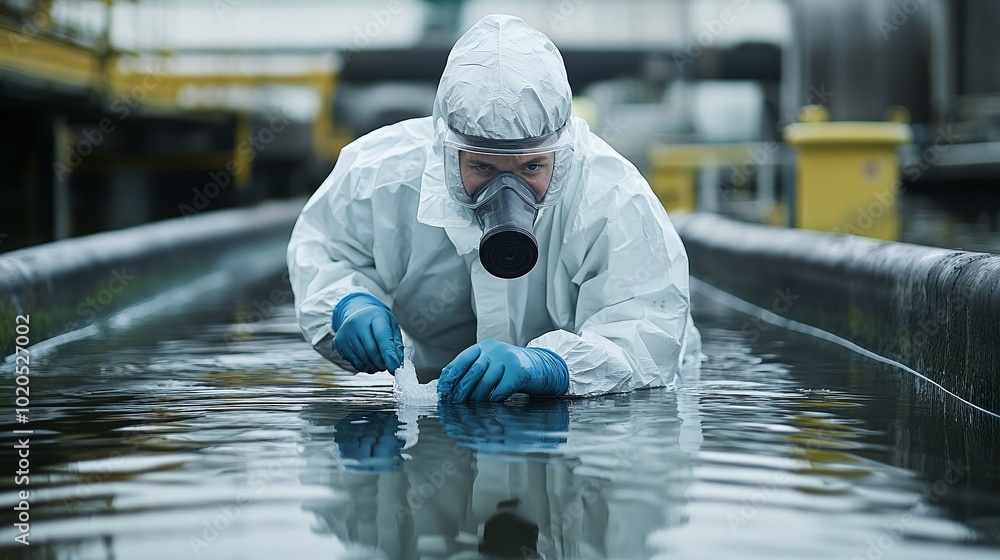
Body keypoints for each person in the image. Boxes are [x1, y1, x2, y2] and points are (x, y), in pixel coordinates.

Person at [286, 14, 700, 402]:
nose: (506, 191)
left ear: (562, 151)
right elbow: (323, 251)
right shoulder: (379, 176)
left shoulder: (612, 197)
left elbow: (649, 329)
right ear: (448, 151)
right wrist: (347, 303)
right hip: (435, 403)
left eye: (531, 166)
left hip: (578, 404)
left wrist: (550, 367)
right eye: (482, 166)